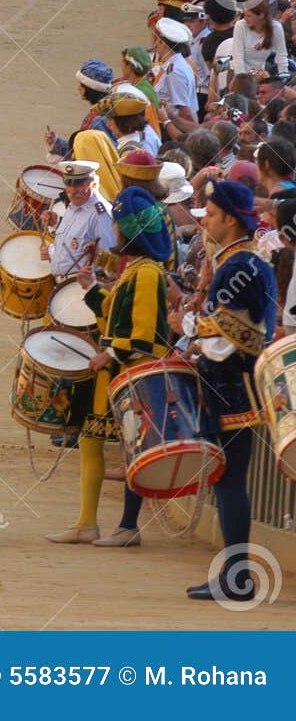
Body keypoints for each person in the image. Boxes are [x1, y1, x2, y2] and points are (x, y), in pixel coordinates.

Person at [46, 187, 174, 546]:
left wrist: (109, 355)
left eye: (118, 226)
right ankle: (87, 523)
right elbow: (113, 315)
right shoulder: (137, 269)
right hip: (117, 374)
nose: (113, 231)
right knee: (90, 442)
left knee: (133, 449)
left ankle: (128, 527)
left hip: (133, 374)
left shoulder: (147, 273)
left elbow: (143, 336)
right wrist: (91, 288)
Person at [181, 179, 277, 602]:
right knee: (228, 479)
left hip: (230, 385)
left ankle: (237, 578)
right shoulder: (245, 260)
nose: (208, 221)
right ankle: (235, 575)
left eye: (214, 215)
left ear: (232, 220)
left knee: (228, 480)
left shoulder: (239, 266)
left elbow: (235, 334)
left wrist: (191, 330)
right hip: (236, 383)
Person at [44, 160, 116, 280]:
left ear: (92, 184)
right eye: (68, 184)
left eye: (78, 184)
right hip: (63, 285)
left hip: (80, 288)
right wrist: (52, 251)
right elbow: (72, 245)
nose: (72, 190)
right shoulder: (73, 206)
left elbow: (109, 261)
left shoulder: (100, 214)